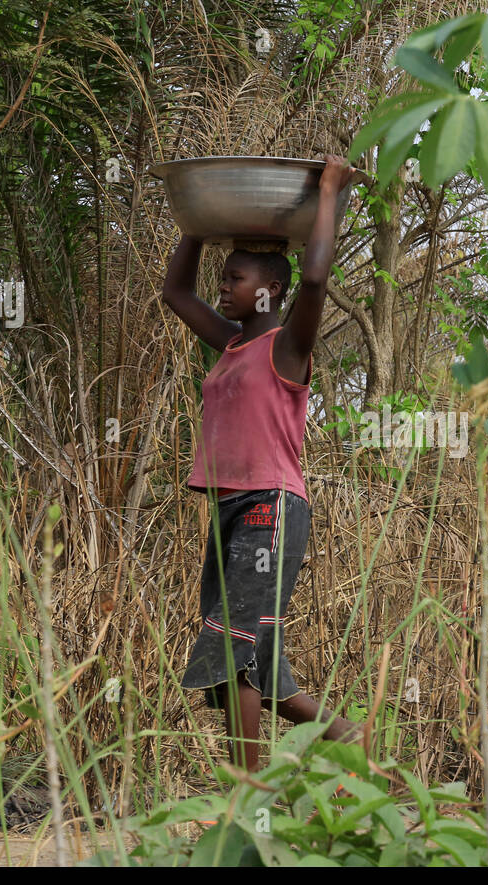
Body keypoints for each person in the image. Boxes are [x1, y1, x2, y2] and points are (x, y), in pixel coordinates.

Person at [161, 155, 360, 771]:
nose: (225, 288)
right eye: (224, 277)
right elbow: (174, 292)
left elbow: (318, 281)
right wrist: (198, 219)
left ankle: (249, 797)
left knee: (235, 652)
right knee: (253, 665)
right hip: (230, 506)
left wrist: (327, 190)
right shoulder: (231, 343)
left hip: (271, 507)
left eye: (237, 278)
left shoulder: (286, 347)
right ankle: (349, 741)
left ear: (269, 289)